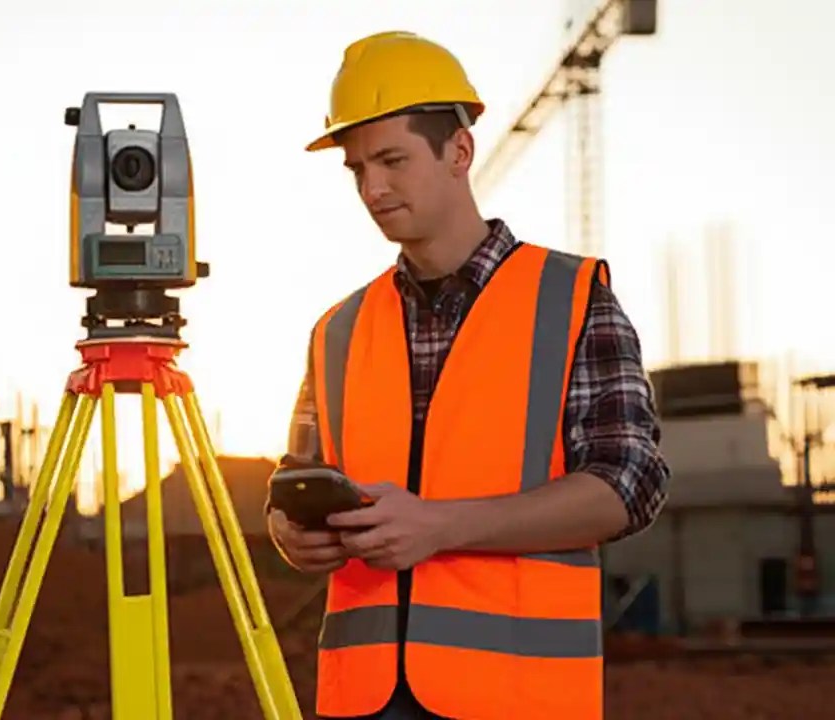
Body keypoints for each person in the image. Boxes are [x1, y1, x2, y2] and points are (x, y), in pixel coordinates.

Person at [266, 31, 671, 720]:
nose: (372, 187)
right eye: (357, 169)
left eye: (391, 160)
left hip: (518, 698)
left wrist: (441, 526)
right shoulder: (337, 329)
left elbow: (628, 486)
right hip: (363, 699)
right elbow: (298, 478)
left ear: (459, 151)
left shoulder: (570, 299)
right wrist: (290, 531)